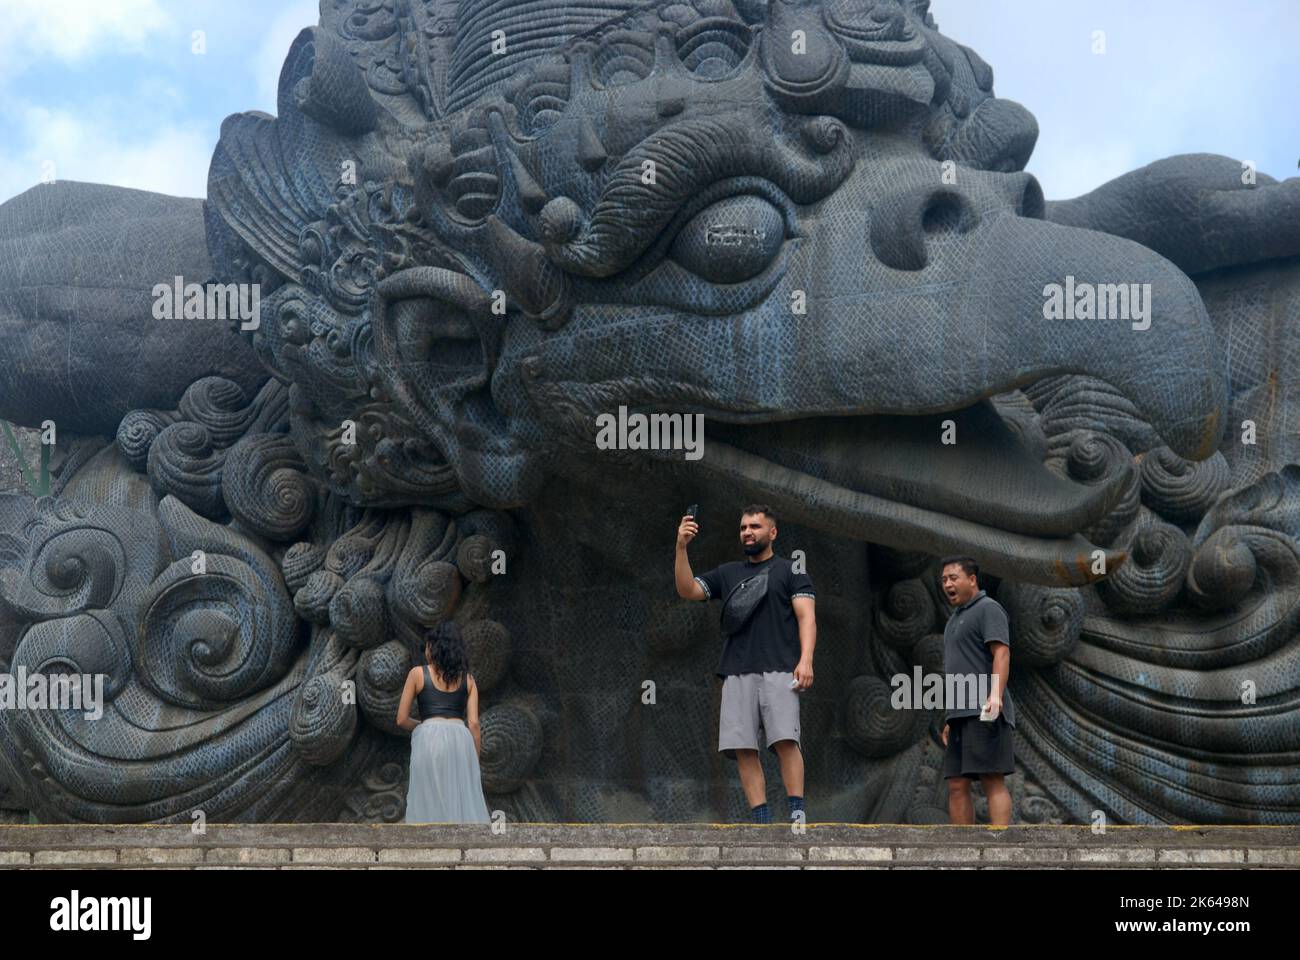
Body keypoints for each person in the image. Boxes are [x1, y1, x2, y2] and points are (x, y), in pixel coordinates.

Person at [675, 503, 816, 824]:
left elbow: (807, 616)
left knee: (785, 740)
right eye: (743, 528)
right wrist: (681, 547)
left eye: (755, 526)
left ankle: (797, 814)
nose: (748, 532)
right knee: (743, 747)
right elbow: (688, 589)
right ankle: (762, 819)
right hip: (736, 670)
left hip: (781, 668)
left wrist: (805, 660)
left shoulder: (792, 569)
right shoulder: (728, 573)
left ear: (773, 532)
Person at [938, 556, 1014, 826]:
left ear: (972, 580)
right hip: (960, 714)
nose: (948, 583)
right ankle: (963, 850)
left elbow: (1001, 653)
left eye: (953, 578)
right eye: (944, 579)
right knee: (956, 784)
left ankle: (999, 847)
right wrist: (950, 717)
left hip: (984, 709)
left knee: (991, 778)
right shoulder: (953, 621)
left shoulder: (988, 609)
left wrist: (995, 695)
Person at [396, 621, 491, 824]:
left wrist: (422, 726)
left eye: (428, 645)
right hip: (461, 739)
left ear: (435, 647)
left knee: (429, 795)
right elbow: (473, 723)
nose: (426, 650)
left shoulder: (417, 674)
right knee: (458, 797)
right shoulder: (469, 680)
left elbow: (401, 719)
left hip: (429, 739)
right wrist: (474, 758)